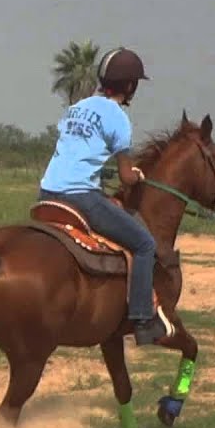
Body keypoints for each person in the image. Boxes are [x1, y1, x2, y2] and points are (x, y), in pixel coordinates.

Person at [38, 46, 174, 345]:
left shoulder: (76, 107)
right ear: (129, 85)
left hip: (47, 193)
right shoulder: (118, 118)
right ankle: (141, 319)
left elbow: (77, 152)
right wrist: (135, 175)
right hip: (80, 198)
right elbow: (127, 177)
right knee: (143, 243)